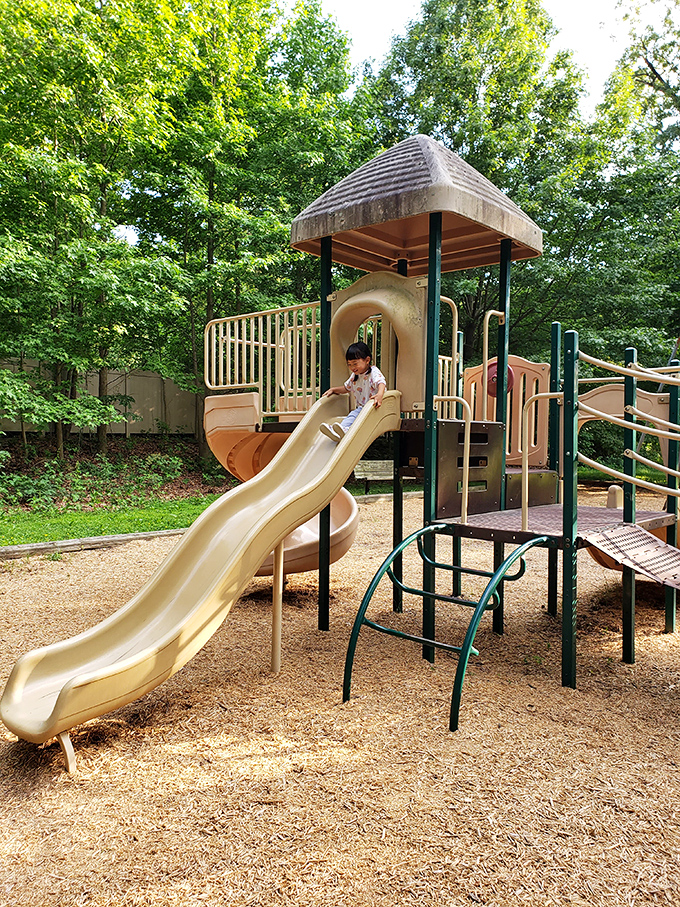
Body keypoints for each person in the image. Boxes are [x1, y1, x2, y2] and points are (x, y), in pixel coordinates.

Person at [319, 341, 386, 442]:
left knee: (357, 419)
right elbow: (346, 388)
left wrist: (380, 394)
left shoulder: (373, 372)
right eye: (349, 364)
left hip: (374, 408)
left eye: (355, 364)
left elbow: (381, 382)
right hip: (362, 408)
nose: (352, 367)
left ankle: (346, 430)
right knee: (352, 415)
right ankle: (341, 429)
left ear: (367, 360)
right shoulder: (355, 376)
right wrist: (333, 390)